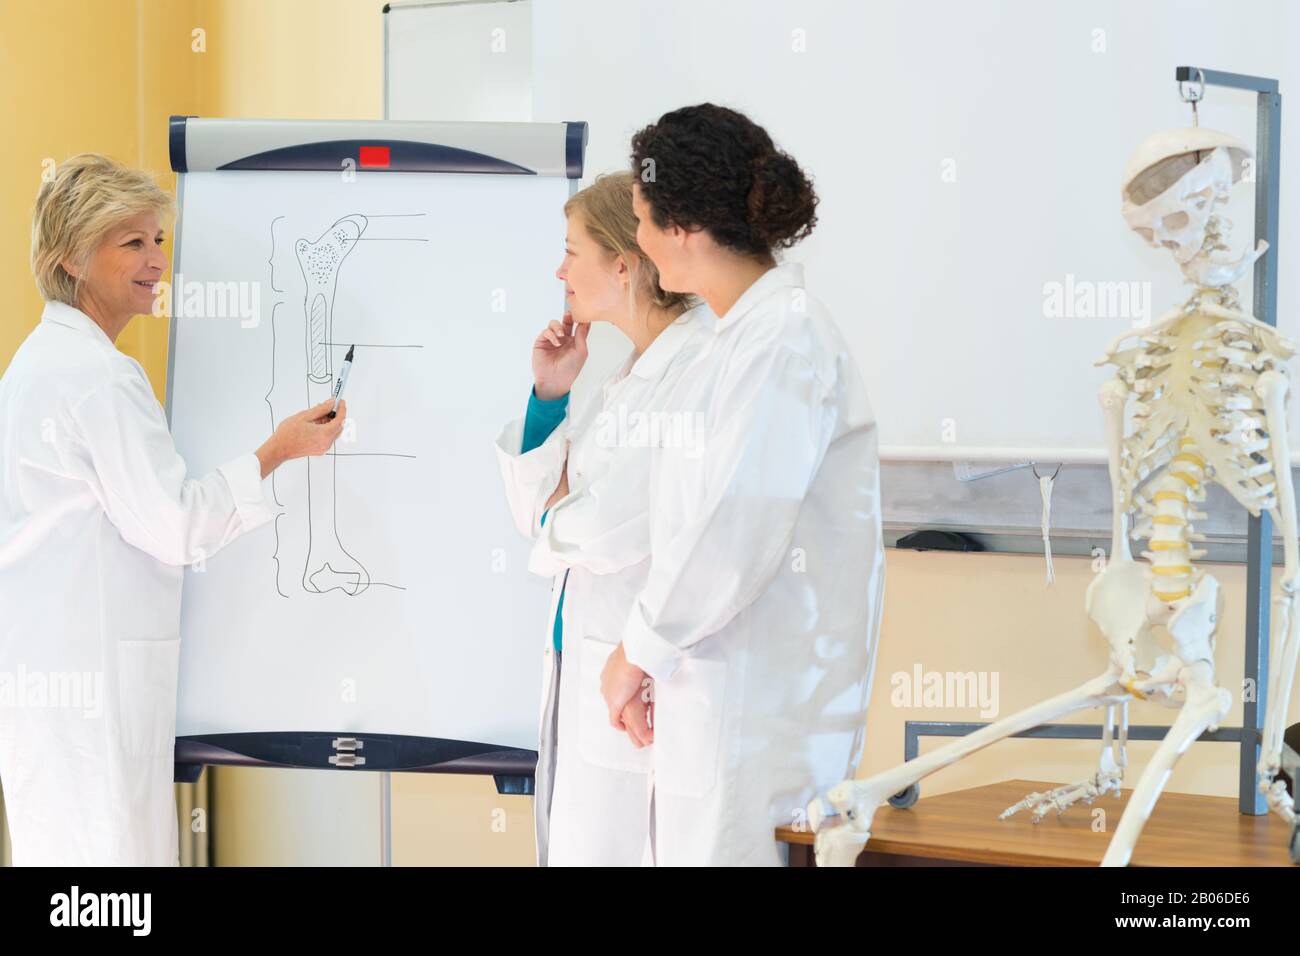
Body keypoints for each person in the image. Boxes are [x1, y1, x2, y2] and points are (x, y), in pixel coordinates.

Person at [0, 153, 344, 865]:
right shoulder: (97, 377)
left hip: (58, 691)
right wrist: (276, 451)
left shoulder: (42, 363)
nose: (157, 261)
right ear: (70, 257)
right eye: (132, 243)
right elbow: (175, 525)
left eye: (159, 240)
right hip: (87, 698)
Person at [598, 104, 886, 865]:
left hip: (766, 723)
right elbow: (694, 530)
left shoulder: (785, 339)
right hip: (719, 708)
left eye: (642, 220)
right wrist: (658, 655)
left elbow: (733, 533)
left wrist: (638, 651)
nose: (638, 239)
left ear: (685, 225)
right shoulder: (734, 341)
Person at [495, 172, 712, 865]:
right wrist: (550, 396)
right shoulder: (628, 374)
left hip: (642, 677)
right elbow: (543, 512)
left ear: (623, 265)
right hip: (585, 660)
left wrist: (560, 523)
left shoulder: (694, 369)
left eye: (571, 252)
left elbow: (609, 527)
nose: (559, 271)